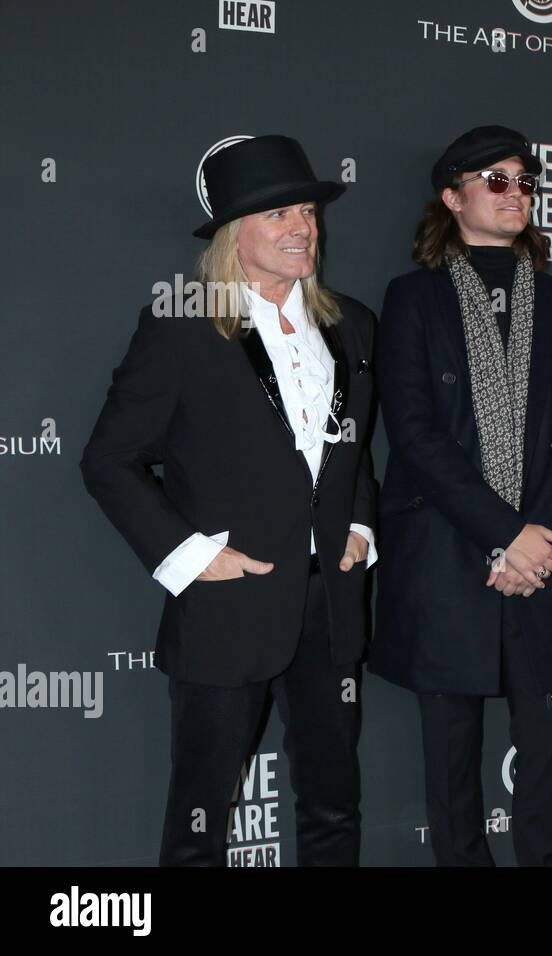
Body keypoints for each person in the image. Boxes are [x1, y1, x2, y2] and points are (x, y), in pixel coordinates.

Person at [82, 135, 378, 866]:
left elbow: (352, 447)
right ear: (232, 233)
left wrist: (362, 525)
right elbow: (108, 459)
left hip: (330, 610)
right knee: (198, 827)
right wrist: (189, 557)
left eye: (306, 210)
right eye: (278, 214)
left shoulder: (352, 326)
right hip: (227, 610)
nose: (301, 227)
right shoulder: (184, 323)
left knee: (334, 808)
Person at [369, 125, 552, 866]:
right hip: (447, 557)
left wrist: (537, 539)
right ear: (452, 195)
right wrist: (507, 534)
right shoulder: (412, 300)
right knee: (452, 770)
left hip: (543, 561)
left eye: (524, 180)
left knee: (547, 763)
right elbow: (415, 436)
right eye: (496, 180)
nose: (516, 192)